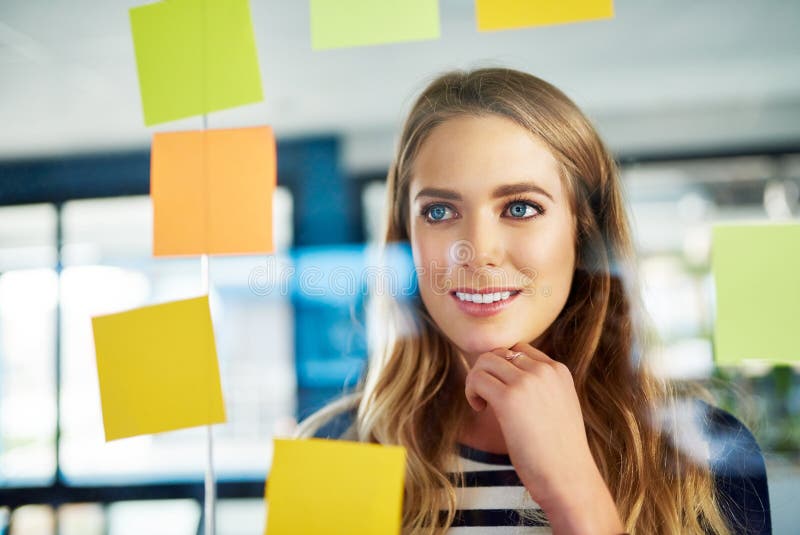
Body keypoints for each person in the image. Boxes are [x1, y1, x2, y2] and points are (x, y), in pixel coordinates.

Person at [296, 68, 771, 534]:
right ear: (407, 237)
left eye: (520, 207)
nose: (477, 252)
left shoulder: (705, 452)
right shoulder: (336, 449)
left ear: (584, 234)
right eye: (439, 211)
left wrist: (572, 488)